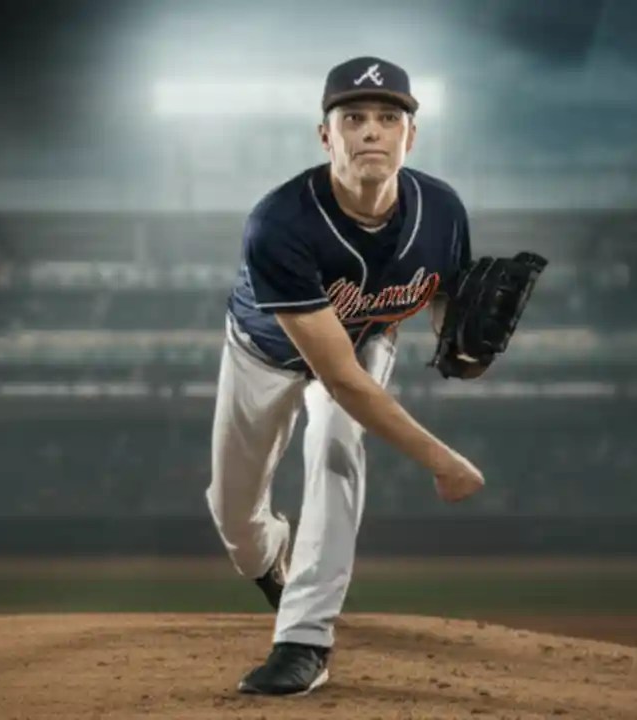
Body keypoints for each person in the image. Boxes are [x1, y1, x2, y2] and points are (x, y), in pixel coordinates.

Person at [206, 56, 486, 697]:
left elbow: (448, 308)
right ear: (325, 134)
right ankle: (272, 553)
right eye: (353, 117)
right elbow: (340, 381)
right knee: (235, 521)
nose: (371, 131)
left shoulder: (442, 209)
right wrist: (443, 461)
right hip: (263, 352)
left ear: (409, 137)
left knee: (336, 448)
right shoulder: (280, 222)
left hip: (367, 341)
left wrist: (466, 348)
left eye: (388, 118)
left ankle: (305, 638)